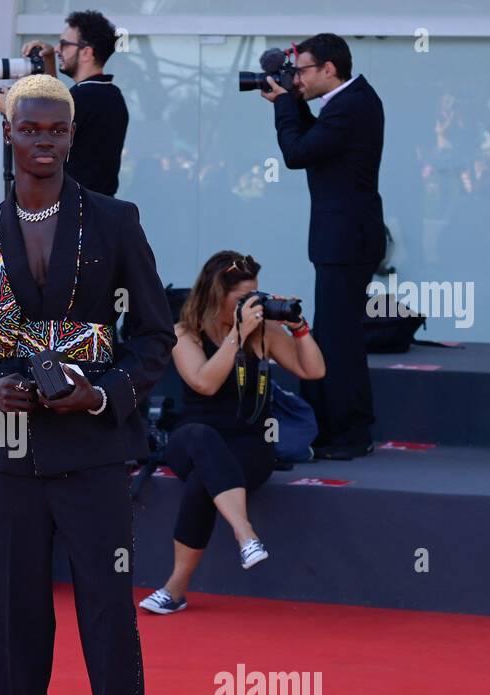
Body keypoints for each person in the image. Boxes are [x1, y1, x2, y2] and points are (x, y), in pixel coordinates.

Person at [0, 75, 175, 695]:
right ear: (6, 135)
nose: (43, 141)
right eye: (29, 129)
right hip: (10, 462)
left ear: (72, 137)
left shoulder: (114, 221)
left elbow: (155, 339)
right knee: (14, 629)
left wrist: (103, 396)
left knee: (111, 629)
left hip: (95, 460)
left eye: (57, 130)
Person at [139, 251, 326, 615]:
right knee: (201, 439)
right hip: (193, 438)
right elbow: (205, 384)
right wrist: (236, 336)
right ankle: (246, 534)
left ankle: (174, 590)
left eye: (255, 295)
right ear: (215, 294)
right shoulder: (184, 333)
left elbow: (314, 371)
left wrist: (299, 328)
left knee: (200, 483)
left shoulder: (265, 332)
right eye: (242, 299)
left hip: (248, 445)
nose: (251, 305)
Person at [261, 32, 383, 459]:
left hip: (346, 240)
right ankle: (337, 428)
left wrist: (283, 107)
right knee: (337, 335)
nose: (298, 80)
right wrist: (290, 103)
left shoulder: (350, 106)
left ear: (329, 69)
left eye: (303, 72)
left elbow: (297, 153)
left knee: (339, 339)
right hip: (345, 238)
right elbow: (318, 143)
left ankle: (349, 432)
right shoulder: (351, 102)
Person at [13, 9, 128, 197]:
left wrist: (10, 107)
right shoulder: (111, 94)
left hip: (75, 212)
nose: (57, 48)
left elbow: (42, 125)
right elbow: (55, 105)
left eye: (64, 44)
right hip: (99, 209)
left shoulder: (81, 99)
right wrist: (48, 59)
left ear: (86, 52)